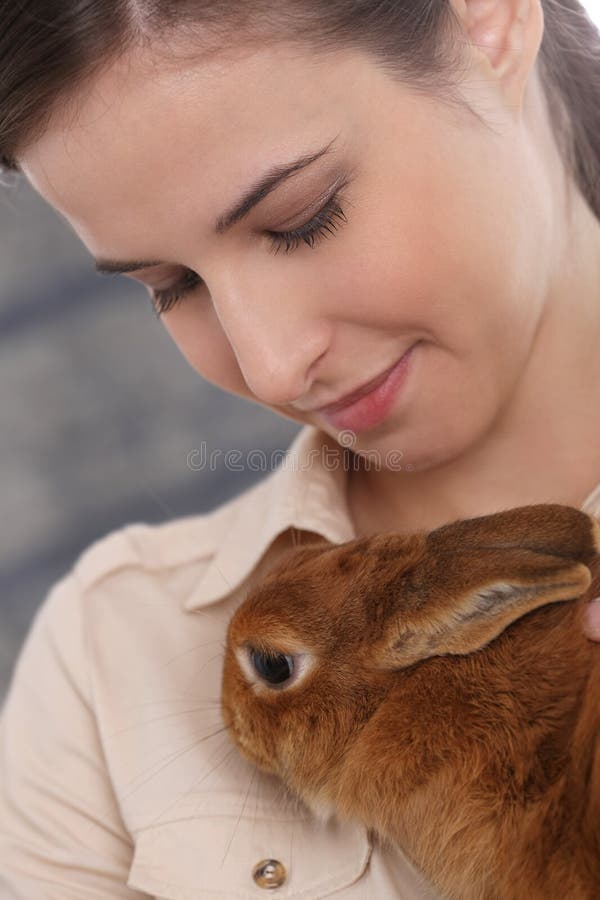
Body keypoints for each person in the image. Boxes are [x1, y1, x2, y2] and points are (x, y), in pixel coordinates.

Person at [1, 0, 600, 897]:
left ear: (490, 20)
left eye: (303, 217)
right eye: (170, 288)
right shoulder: (109, 656)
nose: (273, 369)